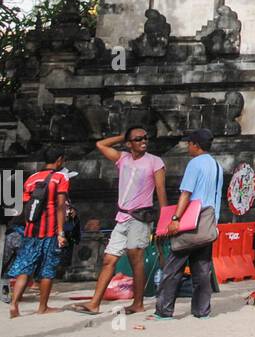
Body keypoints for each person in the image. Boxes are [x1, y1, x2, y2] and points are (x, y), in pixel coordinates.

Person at [70, 126, 167, 316]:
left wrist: (163, 221)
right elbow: (100, 144)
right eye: (138, 139)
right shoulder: (123, 158)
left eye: (145, 138)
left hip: (140, 217)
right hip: (122, 217)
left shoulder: (155, 162)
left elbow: (161, 192)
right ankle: (94, 303)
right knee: (108, 259)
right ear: (129, 143)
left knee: (135, 259)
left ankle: (137, 303)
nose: (143, 141)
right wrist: (123, 136)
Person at [154, 128, 223, 320]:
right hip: (208, 222)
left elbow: (186, 193)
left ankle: (164, 310)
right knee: (202, 270)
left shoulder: (195, 164)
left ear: (196, 145)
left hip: (190, 222)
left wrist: (175, 219)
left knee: (173, 268)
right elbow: (217, 197)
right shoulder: (217, 166)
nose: (187, 146)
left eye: (189, 143)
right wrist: (214, 222)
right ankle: (202, 311)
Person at [7, 148, 69, 318]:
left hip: (31, 230)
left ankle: (14, 303)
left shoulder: (32, 179)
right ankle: (43, 306)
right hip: (50, 230)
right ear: (59, 160)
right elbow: (60, 206)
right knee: (47, 268)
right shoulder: (60, 178)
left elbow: (25, 204)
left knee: (25, 268)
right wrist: (61, 232)